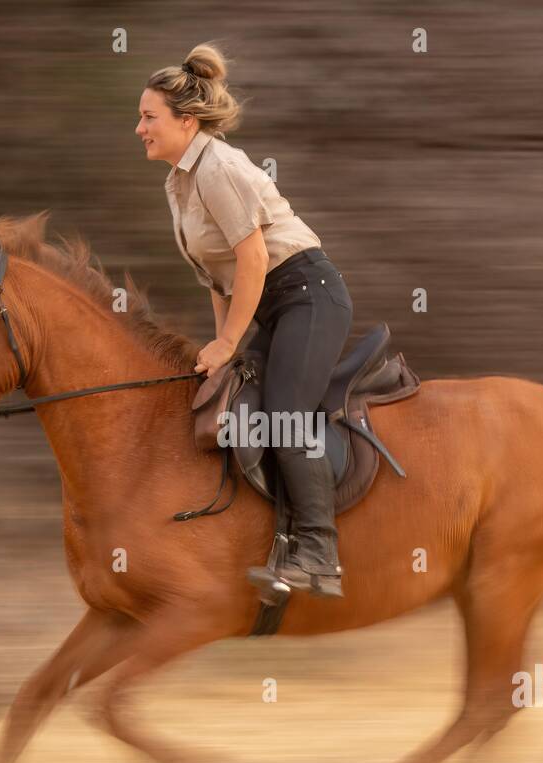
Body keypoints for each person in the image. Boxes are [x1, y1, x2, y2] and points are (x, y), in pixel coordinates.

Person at [137, 42, 354, 598]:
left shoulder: (218, 168)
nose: (139, 128)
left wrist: (231, 339)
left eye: (148, 117)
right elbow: (220, 276)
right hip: (267, 299)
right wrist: (222, 348)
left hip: (307, 293)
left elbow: (253, 258)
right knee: (233, 402)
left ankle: (319, 554)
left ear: (186, 120)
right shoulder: (178, 181)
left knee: (283, 414)